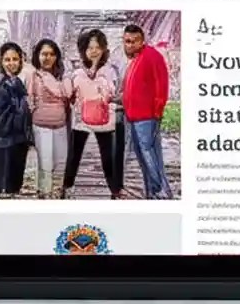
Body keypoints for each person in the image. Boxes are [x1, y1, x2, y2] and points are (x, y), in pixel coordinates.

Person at [63, 29, 123, 199]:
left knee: (108, 158)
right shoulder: (76, 72)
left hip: (104, 121)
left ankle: (115, 190)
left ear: (103, 49)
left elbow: (111, 93)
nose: (94, 51)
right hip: (81, 121)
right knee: (73, 157)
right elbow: (70, 95)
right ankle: (66, 187)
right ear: (83, 50)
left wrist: (97, 69)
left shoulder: (110, 71)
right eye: (90, 48)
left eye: (97, 47)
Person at [120, 24, 173, 199]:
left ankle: (157, 190)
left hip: (147, 117)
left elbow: (162, 84)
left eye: (133, 41)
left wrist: (157, 112)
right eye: (127, 41)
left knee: (148, 153)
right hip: (133, 116)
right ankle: (153, 192)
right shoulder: (137, 59)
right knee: (144, 156)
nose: (130, 45)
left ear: (142, 41)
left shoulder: (152, 56)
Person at [28, 38, 72, 199]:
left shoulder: (63, 77)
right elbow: (29, 100)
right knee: (45, 163)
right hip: (41, 125)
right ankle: (45, 194)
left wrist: (65, 76)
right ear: (37, 56)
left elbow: (68, 95)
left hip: (60, 125)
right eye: (44, 54)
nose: (48, 58)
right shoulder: (34, 76)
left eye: (52, 54)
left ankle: (58, 193)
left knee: (60, 161)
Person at [0, 42, 32, 198]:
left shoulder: (18, 82)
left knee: (15, 184)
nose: (11, 63)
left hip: (19, 140)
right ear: (1, 62)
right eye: (7, 60)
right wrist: (18, 115)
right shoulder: (1, 87)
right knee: (5, 186)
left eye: (15, 59)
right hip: (5, 141)